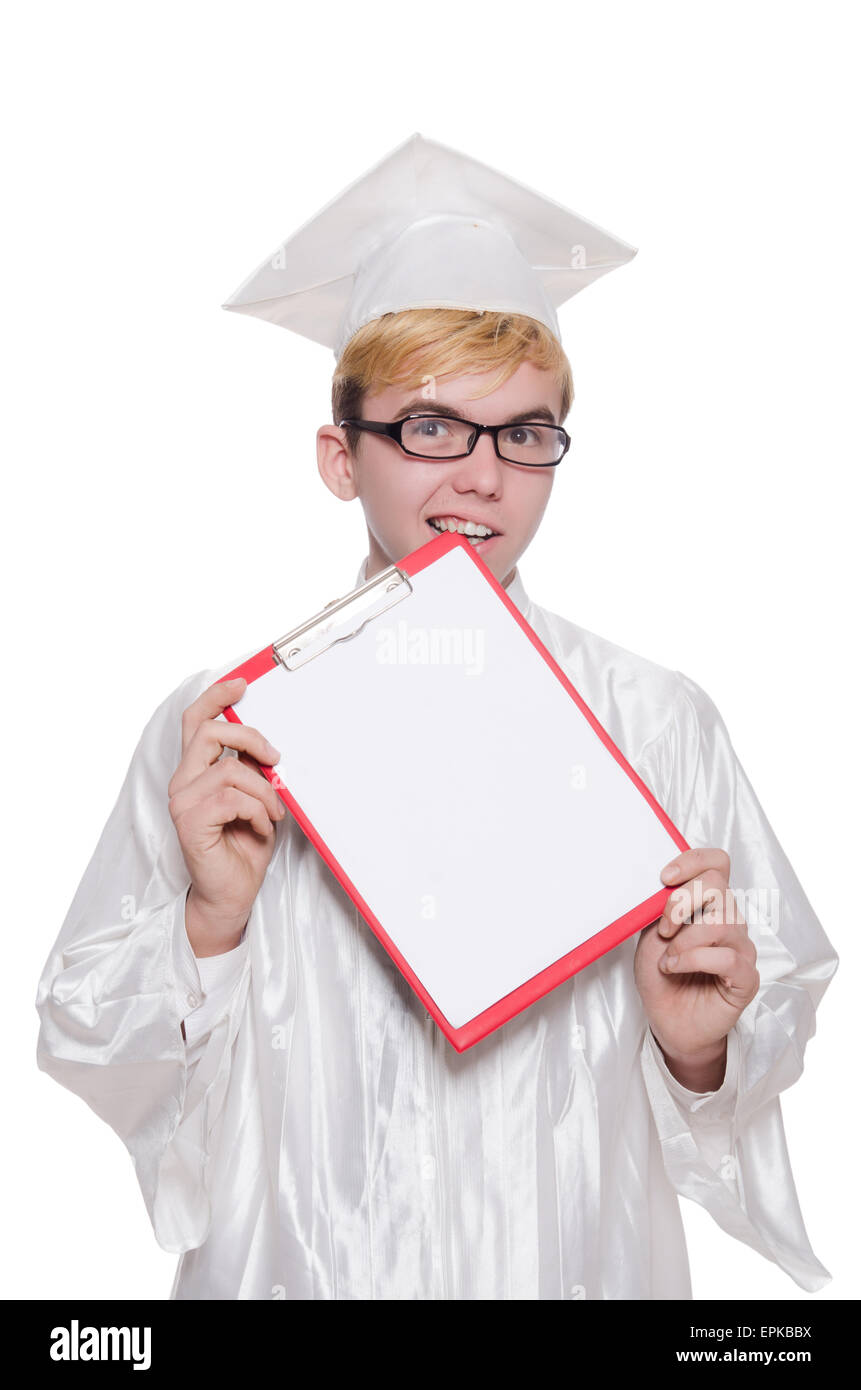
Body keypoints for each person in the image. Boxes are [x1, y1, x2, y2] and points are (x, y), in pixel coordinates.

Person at [35, 133, 837, 1300]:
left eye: (524, 434)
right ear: (340, 457)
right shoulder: (225, 731)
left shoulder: (655, 721)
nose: (480, 475)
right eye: (429, 426)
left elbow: (775, 1010)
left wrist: (699, 1044)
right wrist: (209, 923)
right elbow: (87, 1038)